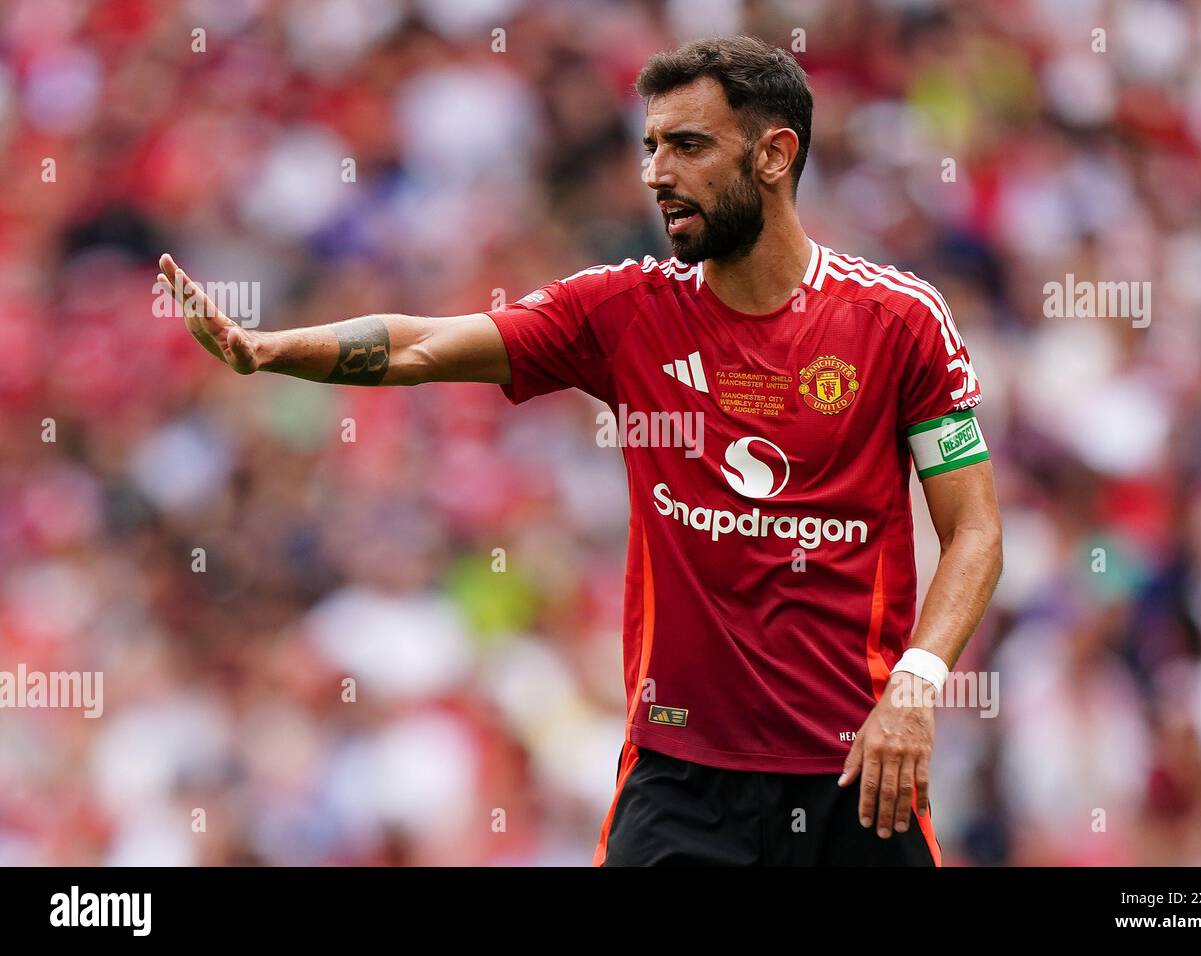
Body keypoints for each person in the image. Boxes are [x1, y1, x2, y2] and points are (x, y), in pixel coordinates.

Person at [156, 35, 1002, 866]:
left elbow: (975, 531)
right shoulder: (621, 310)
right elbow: (422, 347)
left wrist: (917, 686)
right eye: (650, 147)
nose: (656, 173)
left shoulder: (899, 323)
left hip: (856, 769)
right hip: (682, 780)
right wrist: (269, 350)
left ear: (775, 155)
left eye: (688, 145)